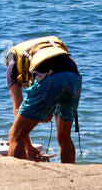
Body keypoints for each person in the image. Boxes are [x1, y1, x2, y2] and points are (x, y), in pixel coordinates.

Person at [5, 35, 81, 164]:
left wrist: (27, 146)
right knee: (64, 136)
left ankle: (18, 178)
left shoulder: (12, 62)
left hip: (49, 77)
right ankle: (70, 178)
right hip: (74, 77)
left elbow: (18, 108)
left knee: (16, 134)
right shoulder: (51, 43)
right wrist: (48, 109)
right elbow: (61, 72)